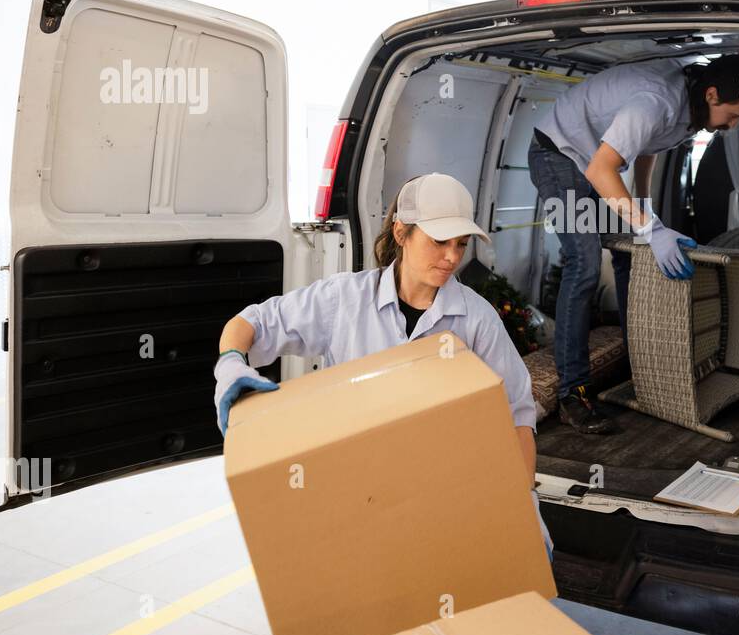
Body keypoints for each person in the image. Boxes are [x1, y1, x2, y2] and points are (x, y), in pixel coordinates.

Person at [211, 172, 553, 561]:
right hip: (353, 490)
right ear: (401, 231)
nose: (453, 257)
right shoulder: (344, 299)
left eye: (461, 244)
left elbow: (515, 415)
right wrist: (231, 366)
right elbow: (251, 324)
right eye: (439, 241)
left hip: (437, 495)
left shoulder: (476, 319)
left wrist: (525, 501)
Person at [528, 53, 739, 435]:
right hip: (558, 153)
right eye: (734, 115)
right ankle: (574, 394)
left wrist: (644, 213)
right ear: (711, 95)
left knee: (628, 254)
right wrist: (652, 230)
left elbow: (647, 148)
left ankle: (638, 363)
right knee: (584, 263)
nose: (734, 125)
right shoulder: (654, 101)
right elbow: (600, 169)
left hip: (593, 161)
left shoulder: (692, 111)